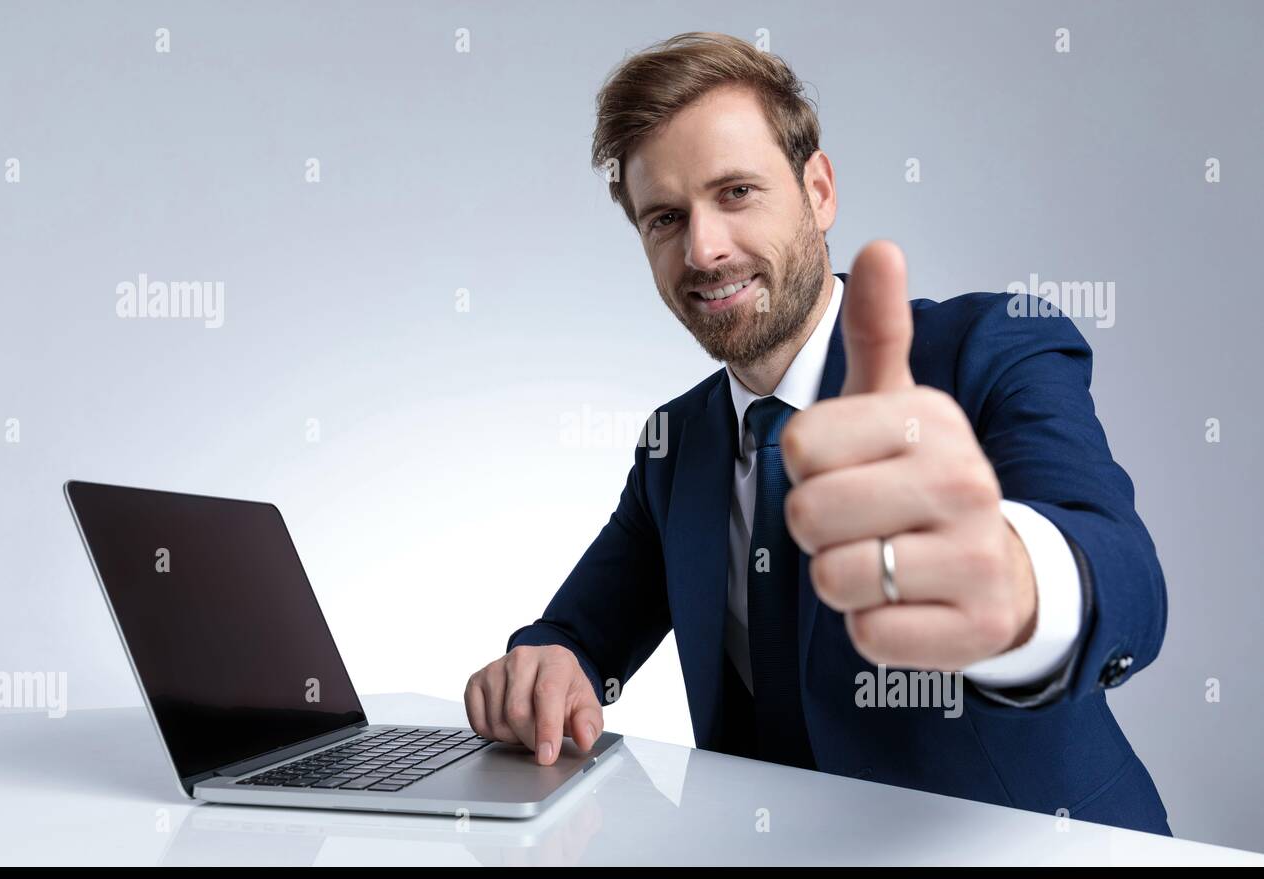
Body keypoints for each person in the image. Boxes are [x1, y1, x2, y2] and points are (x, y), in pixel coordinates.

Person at [464, 32, 1170, 835]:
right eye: (666, 218)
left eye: (735, 192)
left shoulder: (994, 346)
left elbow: (1125, 575)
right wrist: (548, 666)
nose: (704, 249)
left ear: (820, 191)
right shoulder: (676, 443)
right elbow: (579, 632)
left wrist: (1016, 585)